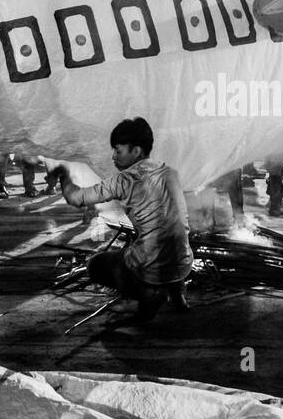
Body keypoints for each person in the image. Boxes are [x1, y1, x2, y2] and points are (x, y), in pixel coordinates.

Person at [52, 117, 193, 322]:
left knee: (96, 265)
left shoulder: (125, 179)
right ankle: (177, 293)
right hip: (183, 260)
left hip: (152, 265)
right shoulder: (171, 173)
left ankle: (149, 294)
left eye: (118, 151)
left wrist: (64, 175)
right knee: (169, 237)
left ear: (136, 151)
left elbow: (77, 198)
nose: (113, 157)